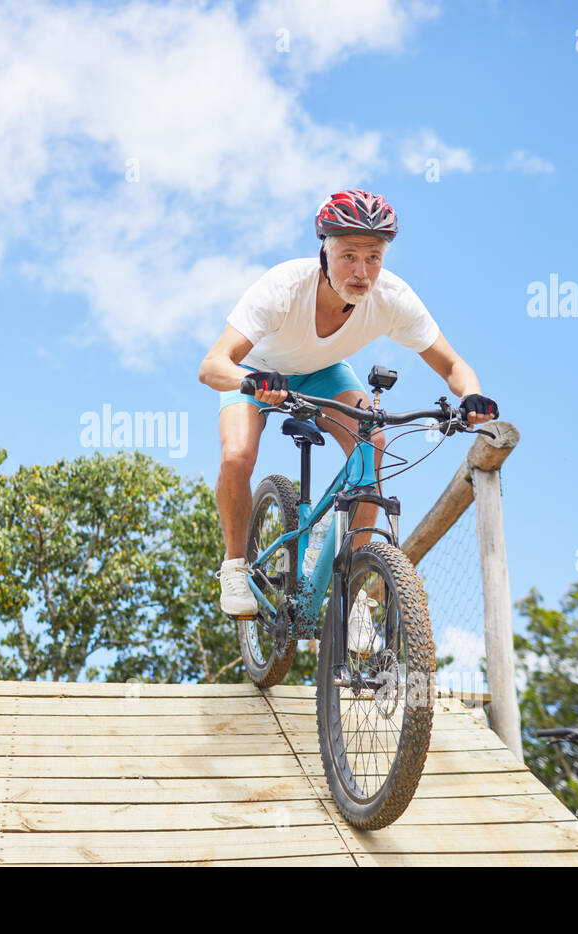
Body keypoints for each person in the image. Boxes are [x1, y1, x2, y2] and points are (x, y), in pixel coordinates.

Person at [198, 189, 498, 618]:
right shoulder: (284, 286)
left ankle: (351, 591)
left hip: (323, 371)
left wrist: (470, 397)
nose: (361, 272)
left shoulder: (392, 298)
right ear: (324, 252)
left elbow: (452, 363)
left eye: (373, 258)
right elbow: (211, 366)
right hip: (255, 369)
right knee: (238, 455)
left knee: (372, 447)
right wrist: (255, 380)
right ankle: (234, 565)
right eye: (348, 257)